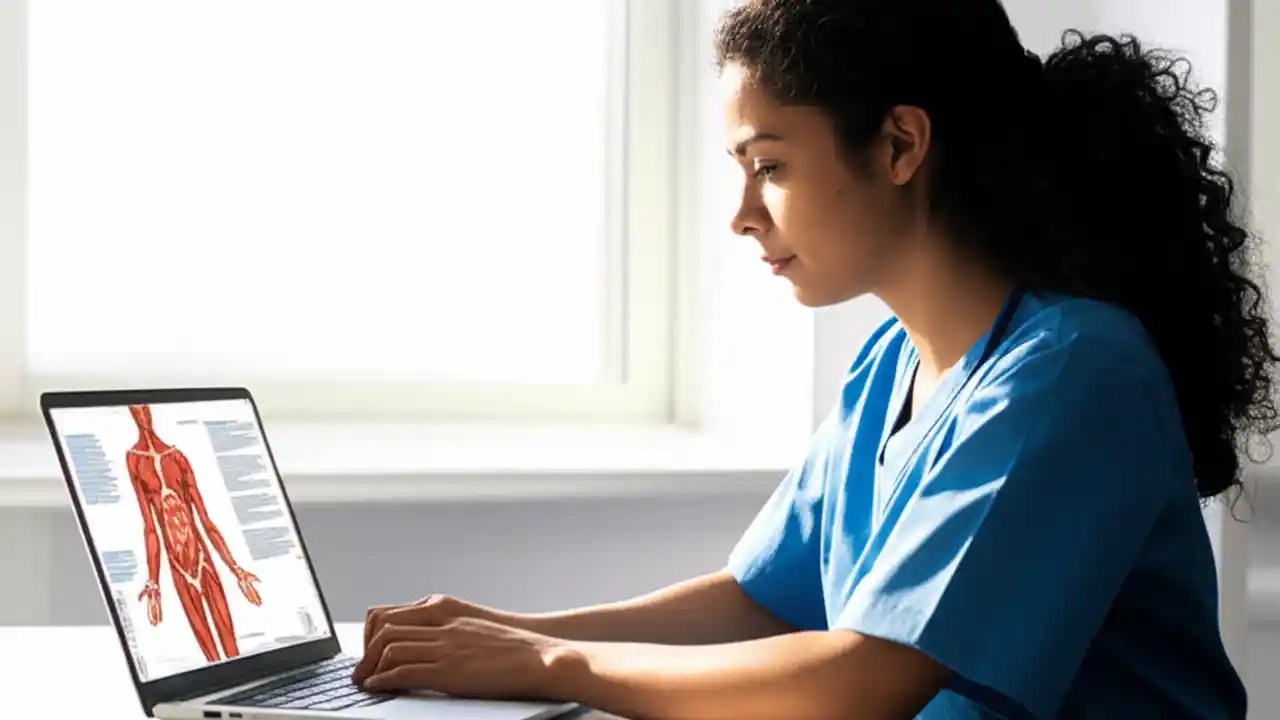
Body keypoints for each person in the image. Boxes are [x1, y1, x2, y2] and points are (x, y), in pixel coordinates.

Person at [351, 0, 1275, 717]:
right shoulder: (888, 367)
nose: (742, 213)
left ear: (901, 145)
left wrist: (554, 665)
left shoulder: (1074, 367)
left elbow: (862, 682)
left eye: (772, 166)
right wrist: (501, 630)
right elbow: (761, 602)